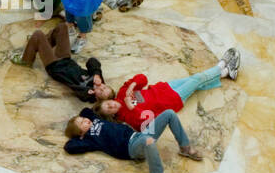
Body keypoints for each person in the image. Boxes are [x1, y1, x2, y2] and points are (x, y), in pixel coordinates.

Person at [92, 50, 241, 131]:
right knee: (196, 79)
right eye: (109, 109)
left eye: (108, 104)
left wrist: (132, 86)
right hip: (172, 100)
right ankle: (221, 65)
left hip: (165, 87)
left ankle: (226, 72)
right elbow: (149, 123)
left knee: (197, 83)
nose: (112, 106)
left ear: (109, 100)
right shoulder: (128, 118)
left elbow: (143, 78)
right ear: (111, 115)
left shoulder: (123, 93)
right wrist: (132, 108)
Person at [64, 107, 200, 173]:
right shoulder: (89, 139)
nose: (86, 120)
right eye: (82, 123)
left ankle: (185, 147)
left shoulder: (95, 120)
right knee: (149, 142)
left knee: (169, 113)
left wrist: (82, 119)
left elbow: (86, 111)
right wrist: (80, 136)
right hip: (130, 148)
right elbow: (69, 147)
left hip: (138, 134)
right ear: (81, 133)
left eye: (83, 120)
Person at [12, 21, 103, 102]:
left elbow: (81, 94)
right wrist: (96, 73)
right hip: (66, 59)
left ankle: (26, 60)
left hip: (55, 67)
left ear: (96, 96)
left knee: (38, 34)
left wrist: (89, 92)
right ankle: (38, 43)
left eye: (101, 91)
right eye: (105, 87)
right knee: (62, 27)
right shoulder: (98, 79)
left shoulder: (86, 92)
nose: (102, 87)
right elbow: (92, 61)